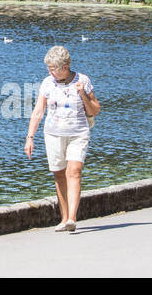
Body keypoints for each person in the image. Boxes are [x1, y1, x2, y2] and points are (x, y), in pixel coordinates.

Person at [25, 45, 101, 232]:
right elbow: (38, 111)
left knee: (74, 171)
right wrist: (30, 137)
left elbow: (95, 110)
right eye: (49, 68)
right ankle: (64, 218)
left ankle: (72, 219)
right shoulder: (47, 83)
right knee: (59, 174)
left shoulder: (83, 80)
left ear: (65, 66)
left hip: (78, 133)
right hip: (53, 134)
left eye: (53, 68)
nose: (50, 72)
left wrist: (82, 93)